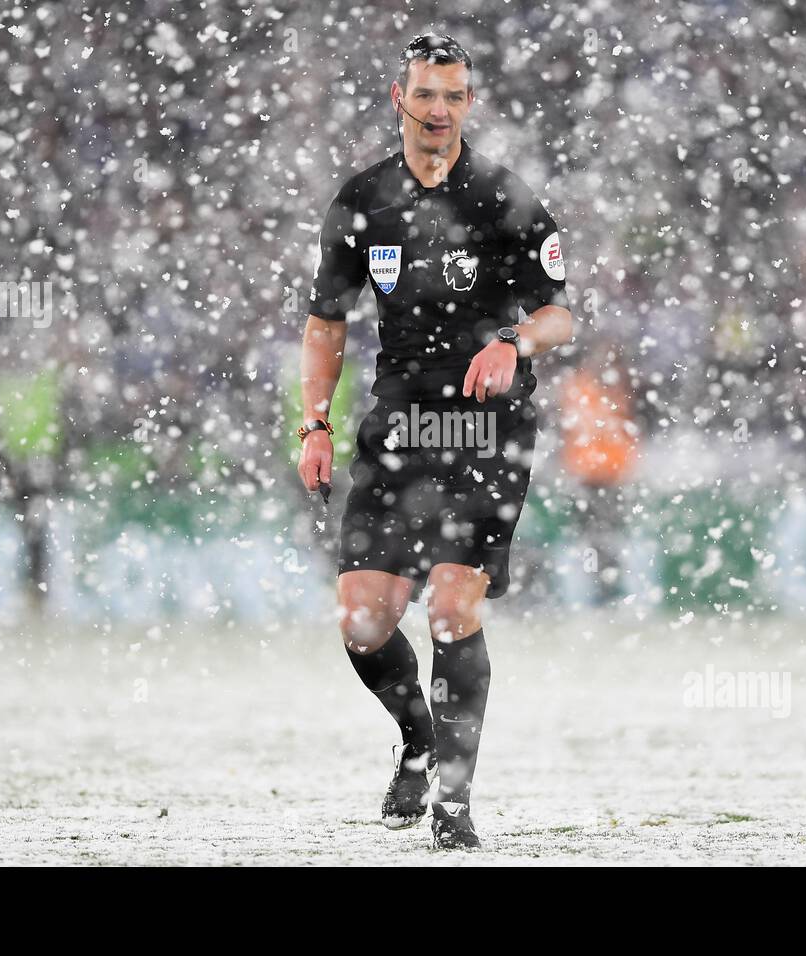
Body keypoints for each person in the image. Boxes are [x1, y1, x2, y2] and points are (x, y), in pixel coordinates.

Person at [297, 33, 574, 849]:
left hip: (489, 431)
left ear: (468, 103)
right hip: (400, 427)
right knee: (362, 622)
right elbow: (325, 323)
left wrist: (514, 343)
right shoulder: (362, 201)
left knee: (453, 612)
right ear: (400, 98)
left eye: (453, 96)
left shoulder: (502, 195)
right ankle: (417, 739)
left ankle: (455, 803)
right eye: (426, 94)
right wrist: (315, 422)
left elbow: (559, 311)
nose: (439, 110)